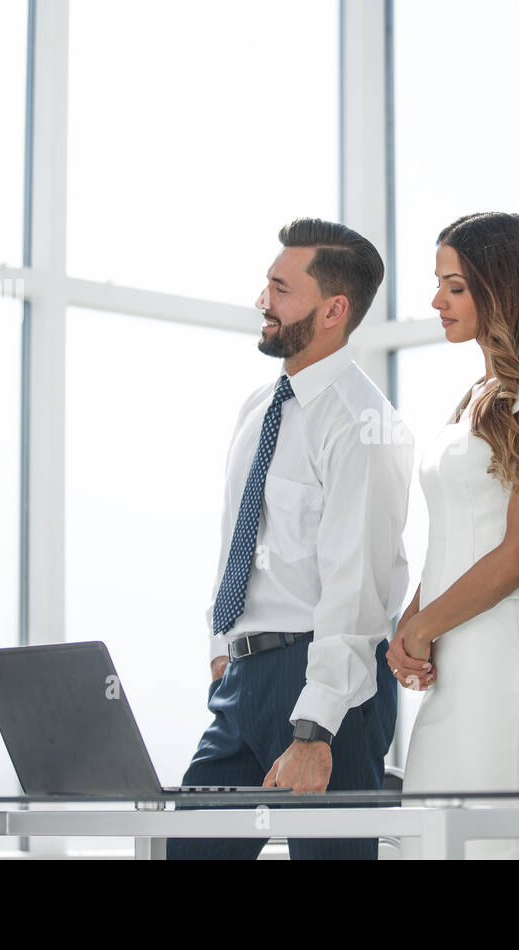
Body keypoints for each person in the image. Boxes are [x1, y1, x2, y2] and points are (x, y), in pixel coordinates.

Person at [167, 218, 410, 861]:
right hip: (244, 681)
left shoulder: (364, 425)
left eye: (280, 289)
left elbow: (357, 587)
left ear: (333, 310)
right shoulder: (258, 407)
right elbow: (236, 538)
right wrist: (225, 647)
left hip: (329, 689)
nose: (262, 303)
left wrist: (314, 726)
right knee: (187, 852)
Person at [387, 211, 519, 860]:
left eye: (454, 286)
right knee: (433, 846)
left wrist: (423, 630)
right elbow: (460, 532)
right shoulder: (481, 392)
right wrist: (411, 619)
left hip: (504, 654)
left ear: (498, 285)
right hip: (462, 651)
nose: (435, 301)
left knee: (485, 851)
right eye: (438, 284)